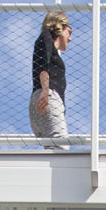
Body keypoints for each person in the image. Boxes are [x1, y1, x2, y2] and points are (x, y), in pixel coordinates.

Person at [29, 9, 71, 148]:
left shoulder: (47, 43)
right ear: (59, 27)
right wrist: (45, 91)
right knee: (61, 147)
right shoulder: (45, 37)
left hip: (44, 101)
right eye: (68, 32)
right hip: (48, 97)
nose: (70, 38)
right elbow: (43, 66)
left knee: (53, 148)